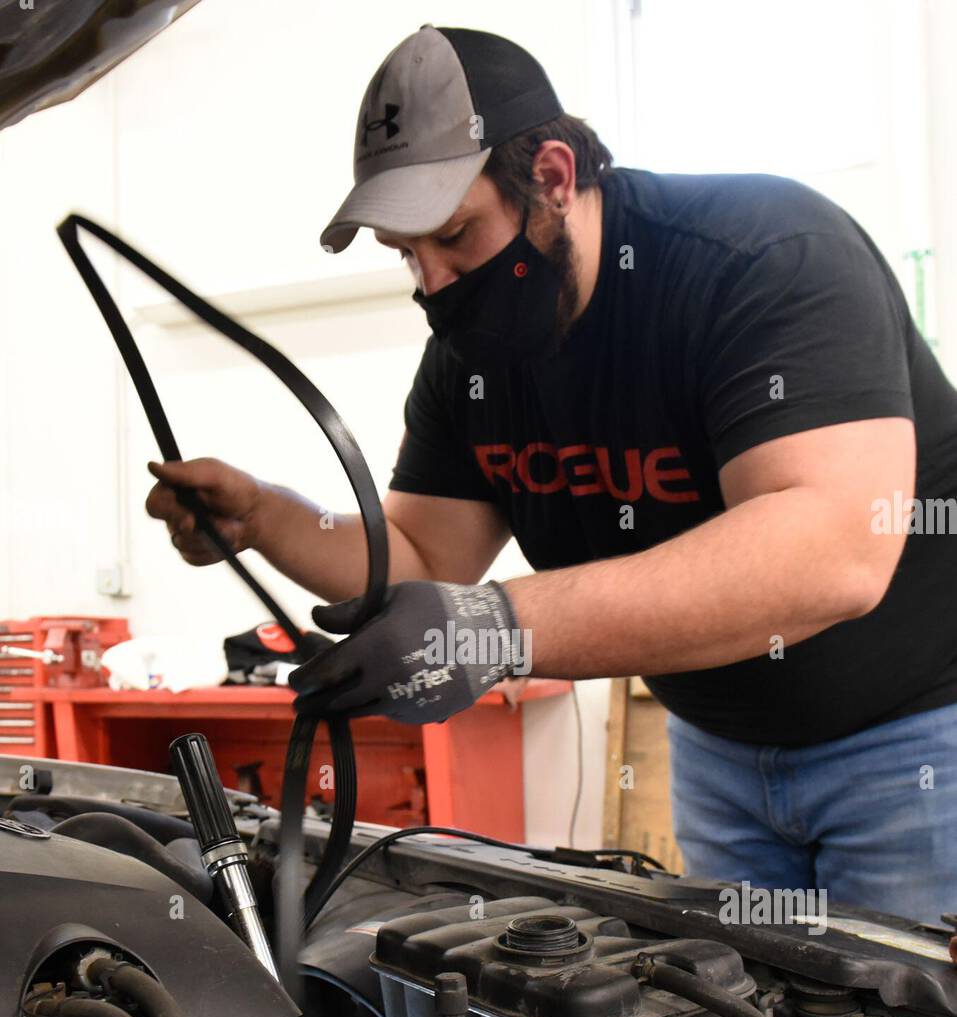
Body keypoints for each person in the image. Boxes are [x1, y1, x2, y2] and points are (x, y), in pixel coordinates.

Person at [147, 25, 957, 926]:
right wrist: (265, 516)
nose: (434, 281)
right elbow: (421, 557)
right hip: (720, 751)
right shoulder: (476, 356)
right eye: (407, 254)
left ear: (554, 177)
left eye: (455, 235)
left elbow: (832, 550)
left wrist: (495, 628)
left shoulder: (761, 256)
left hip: (916, 742)